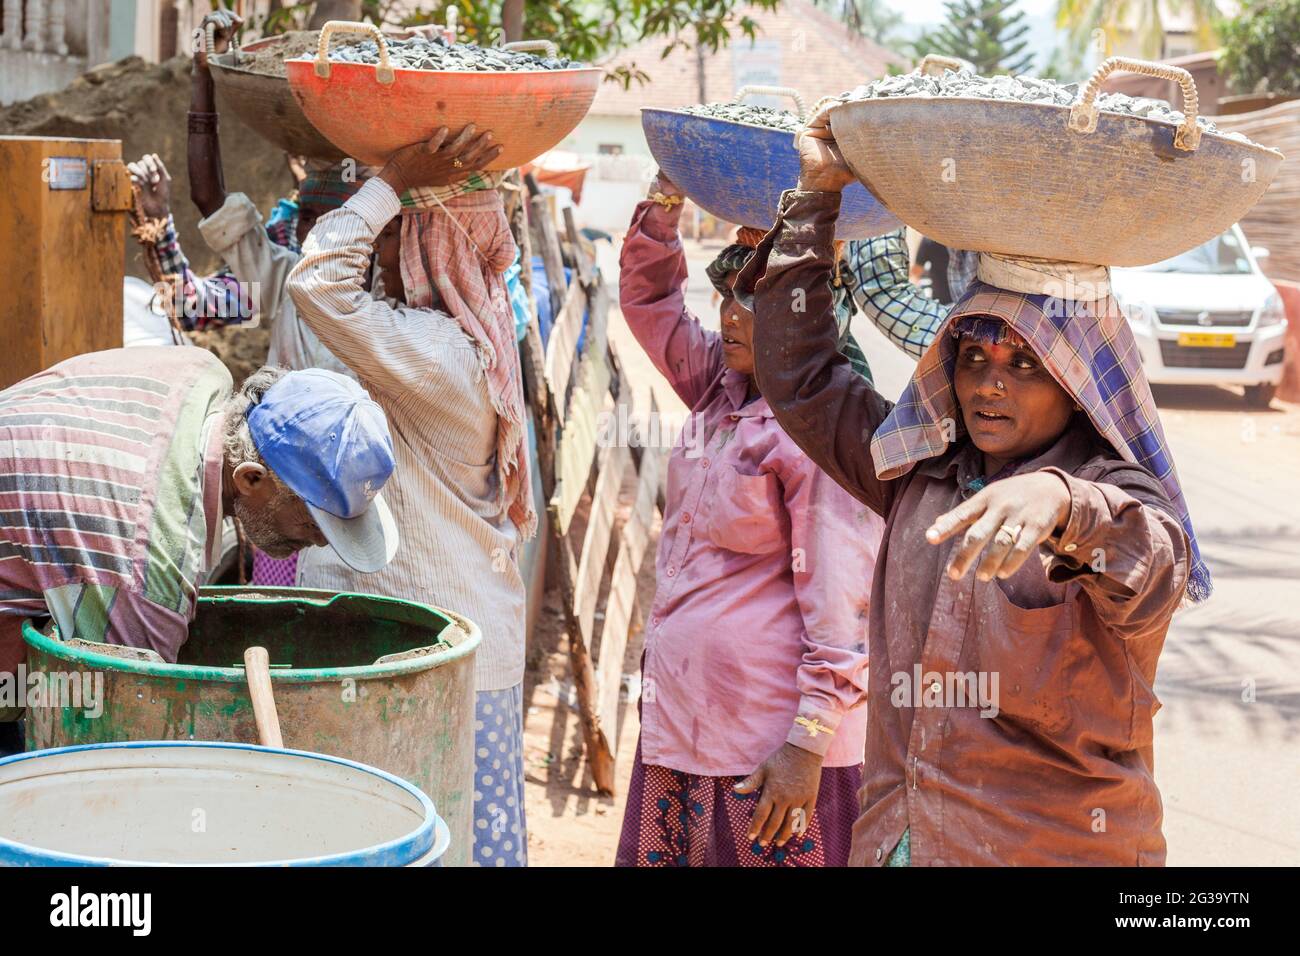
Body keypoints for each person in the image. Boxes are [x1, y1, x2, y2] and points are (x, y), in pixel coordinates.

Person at [742, 109, 1208, 866]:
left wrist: (1063, 505)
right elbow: (800, 379)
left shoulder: (1112, 488)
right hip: (900, 839)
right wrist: (816, 195)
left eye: (1025, 364)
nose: (991, 384)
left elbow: (1155, 561)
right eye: (974, 358)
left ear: (1076, 382)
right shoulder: (918, 474)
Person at [612, 172, 883, 867]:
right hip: (686, 723)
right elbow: (649, 303)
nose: (730, 317)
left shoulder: (825, 437)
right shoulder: (719, 389)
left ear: (810, 318)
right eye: (726, 295)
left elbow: (844, 610)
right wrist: (664, 203)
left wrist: (806, 744)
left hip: (769, 749)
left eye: (756, 300)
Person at [287, 126, 539, 868]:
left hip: (429, 650)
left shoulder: (440, 354)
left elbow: (316, 280)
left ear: (433, 244)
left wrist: (390, 177)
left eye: (396, 235)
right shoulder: (461, 341)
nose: (380, 252)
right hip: (440, 639)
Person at [0, 347, 398, 755]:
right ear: (250, 479)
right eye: (314, 524)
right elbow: (125, 736)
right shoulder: (149, 565)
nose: (319, 543)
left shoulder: (196, 372)